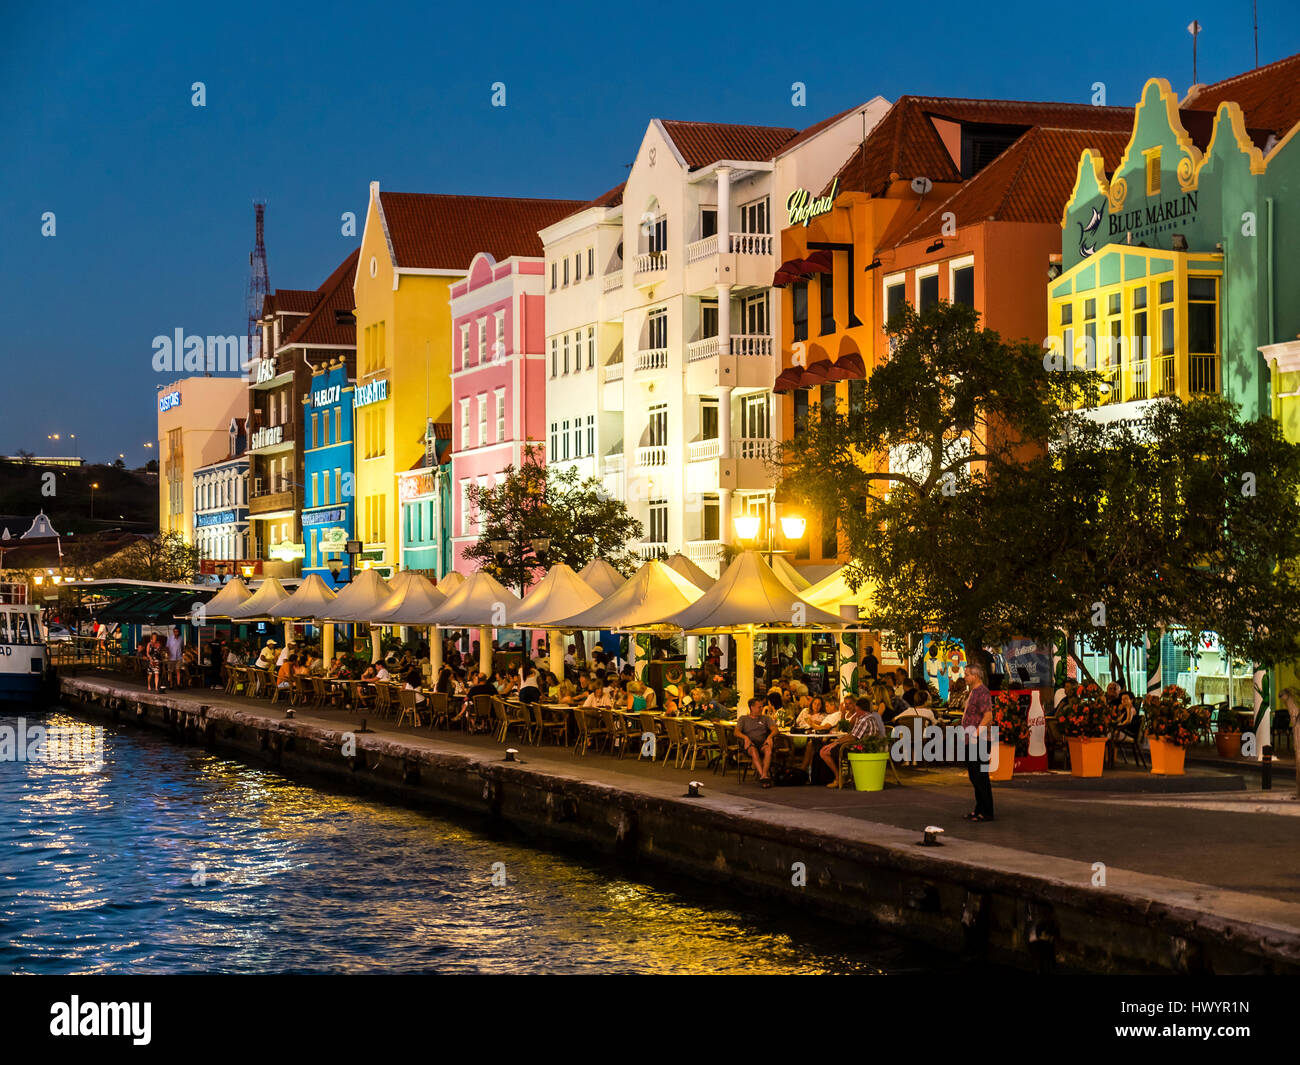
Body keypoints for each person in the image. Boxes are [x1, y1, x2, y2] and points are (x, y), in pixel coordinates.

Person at [819, 697, 886, 788]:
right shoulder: (870, 717)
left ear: (859, 708)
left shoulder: (863, 719)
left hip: (862, 749)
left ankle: (838, 779)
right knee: (829, 748)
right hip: (868, 746)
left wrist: (835, 743)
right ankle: (843, 777)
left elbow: (853, 737)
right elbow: (852, 735)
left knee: (824, 752)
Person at [962, 663, 995, 822]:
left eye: (967, 674)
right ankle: (979, 808)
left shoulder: (982, 692)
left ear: (975, 676)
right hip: (971, 738)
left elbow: (988, 716)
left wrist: (976, 733)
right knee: (974, 775)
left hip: (979, 739)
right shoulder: (973, 692)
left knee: (980, 775)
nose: (964, 676)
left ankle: (987, 810)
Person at [735, 697, 778, 788]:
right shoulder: (743, 719)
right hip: (750, 744)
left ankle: (763, 775)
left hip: (763, 743)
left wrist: (770, 737)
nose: (761, 709)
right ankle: (764, 776)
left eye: (762, 707)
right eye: (759, 707)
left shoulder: (766, 718)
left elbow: (775, 730)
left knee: (768, 750)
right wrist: (745, 737)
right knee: (754, 751)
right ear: (752, 707)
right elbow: (736, 732)